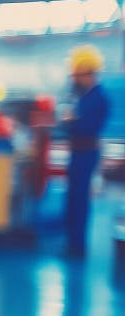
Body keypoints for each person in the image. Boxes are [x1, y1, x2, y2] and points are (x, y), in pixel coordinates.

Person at [65, 45, 110, 256]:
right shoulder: (85, 97)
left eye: (78, 75)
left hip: (85, 153)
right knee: (74, 197)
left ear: (89, 73)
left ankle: (78, 246)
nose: (75, 80)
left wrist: (71, 122)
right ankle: (73, 241)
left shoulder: (98, 98)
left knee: (80, 199)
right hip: (79, 152)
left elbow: (86, 128)